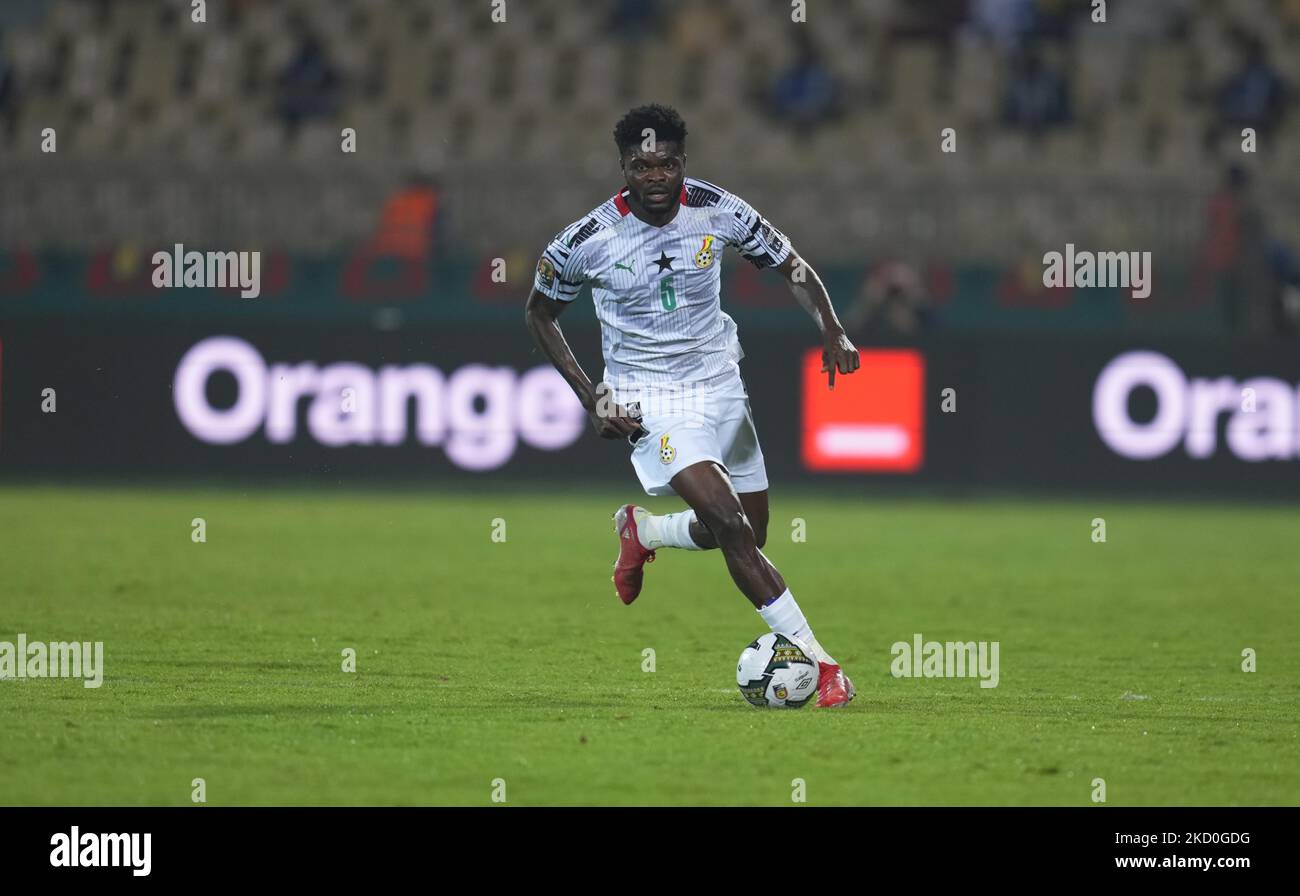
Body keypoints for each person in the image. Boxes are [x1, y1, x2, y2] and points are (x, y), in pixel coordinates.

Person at [524, 104, 861, 708]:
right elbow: (539, 312)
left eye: (668, 163)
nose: (656, 175)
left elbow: (793, 264)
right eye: (642, 164)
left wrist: (832, 329)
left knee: (750, 531)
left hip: (721, 383)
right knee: (730, 524)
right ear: (623, 167)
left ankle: (643, 530)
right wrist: (591, 394)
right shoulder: (587, 239)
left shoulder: (718, 209)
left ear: (683, 163)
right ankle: (822, 662)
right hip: (648, 398)